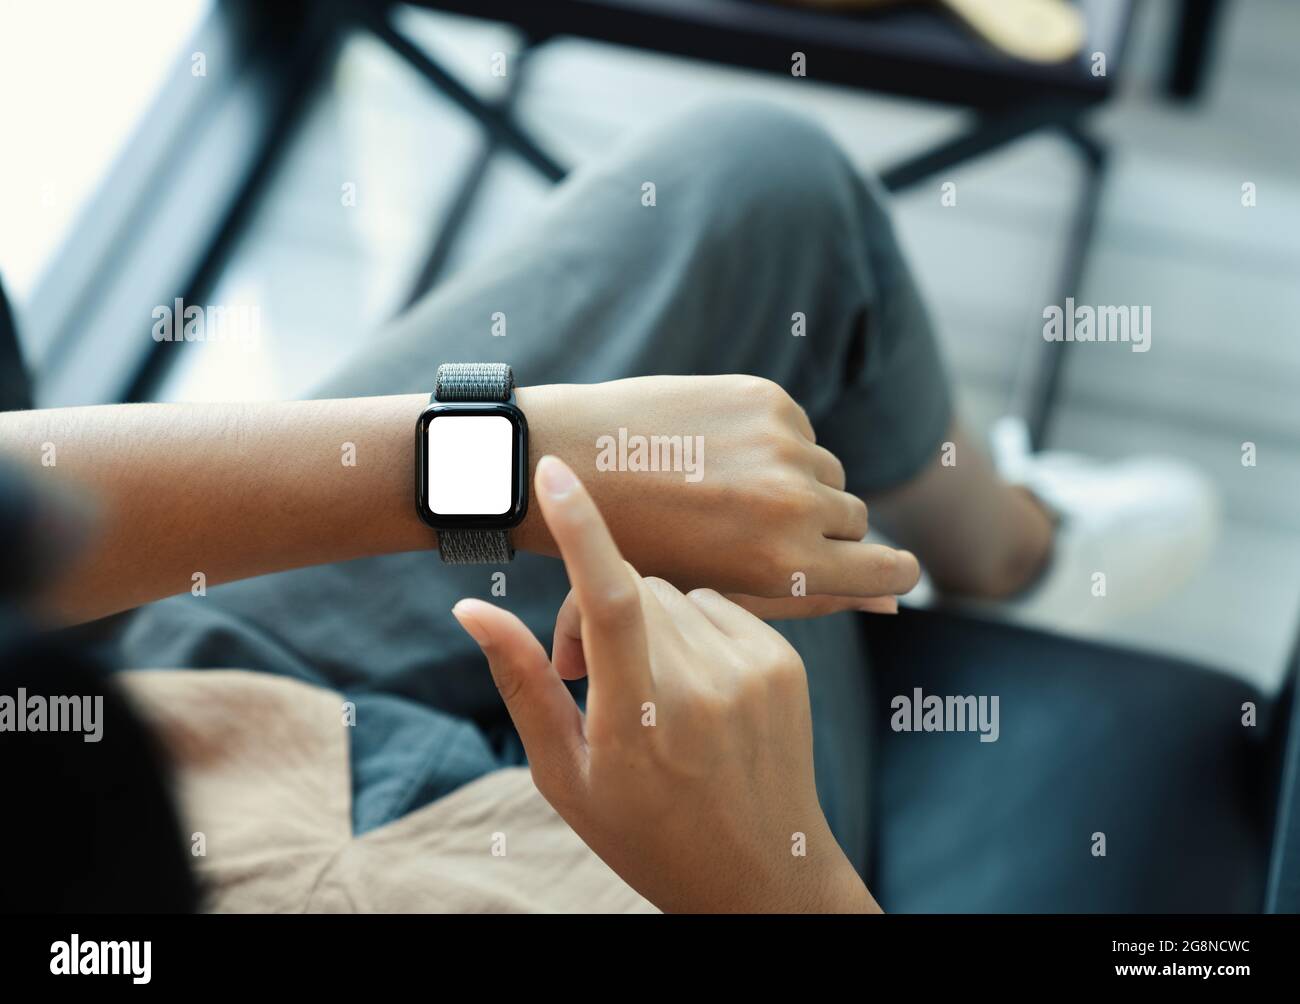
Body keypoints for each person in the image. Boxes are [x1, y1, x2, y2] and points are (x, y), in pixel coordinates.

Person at [0, 99, 1214, 911]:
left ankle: (1009, 549)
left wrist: (497, 458)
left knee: (759, 191)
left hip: (199, 703)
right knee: (766, 551)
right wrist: (773, 886)